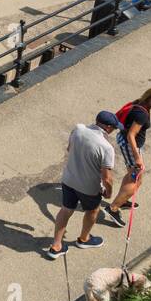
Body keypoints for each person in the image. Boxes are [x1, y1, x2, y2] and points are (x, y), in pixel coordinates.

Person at [46, 111, 118, 259]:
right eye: (114, 128)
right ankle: (84, 239)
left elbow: (68, 149)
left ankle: (56, 246)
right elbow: (107, 178)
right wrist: (109, 192)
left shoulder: (78, 129)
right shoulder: (106, 148)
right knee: (92, 211)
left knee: (65, 210)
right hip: (89, 188)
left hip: (68, 180)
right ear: (109, 128)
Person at [102, 86, 151, 227]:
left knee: (133, 174)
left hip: (126, 142)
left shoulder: (138, 103)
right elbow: (131, 135)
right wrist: (137, 156)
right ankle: (113, 208)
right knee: (136, 179)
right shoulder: (142, 114)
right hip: (131, 146)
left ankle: (123, 198)